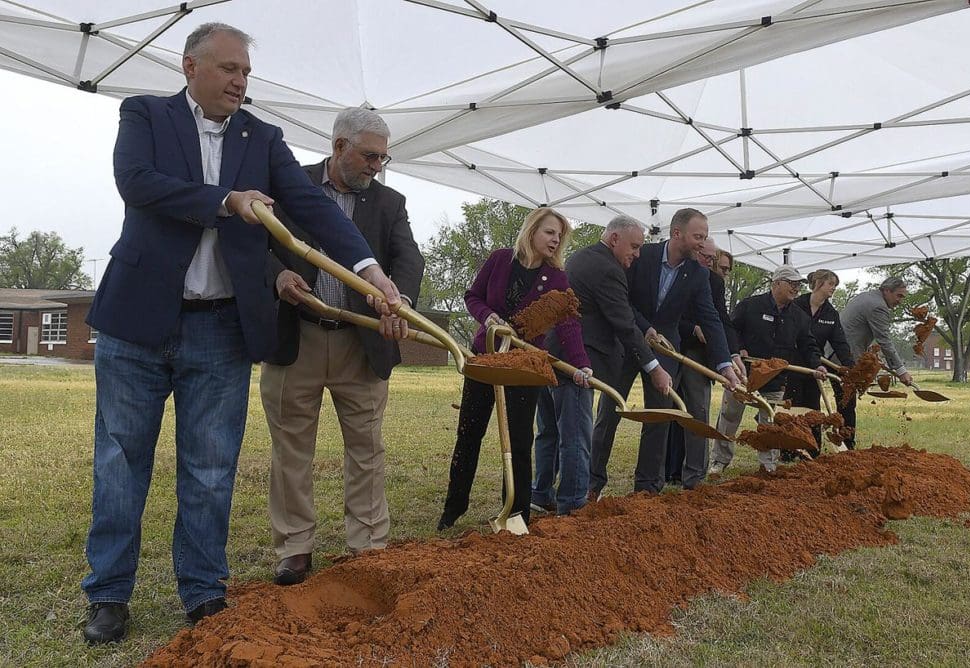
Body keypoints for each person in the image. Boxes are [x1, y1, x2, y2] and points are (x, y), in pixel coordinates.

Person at [80, 23, 400, 644]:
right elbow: (136, 183)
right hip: (136, 326)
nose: (240, 81)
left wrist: (370, 271)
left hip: (220, 328)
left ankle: (203, 593)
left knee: (209, 469)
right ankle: (109, 595)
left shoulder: (264, 138)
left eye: (246, 72)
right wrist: (226, 200)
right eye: (229, 69)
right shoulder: (143, 114)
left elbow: (309, 210)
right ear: (189, 66)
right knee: (121, 464)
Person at [260, 108, 424, 585]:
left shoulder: (390, 203)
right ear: (338, 147)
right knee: (291, 448)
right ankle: (294, 548)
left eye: (383, 157)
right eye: (370, 155)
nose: (378, 165)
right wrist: (277, 275)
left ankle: (368, 546)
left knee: (367, 447)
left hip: (362, 342)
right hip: (298, 337)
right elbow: (257, 245)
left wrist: (402, 302)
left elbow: (407, 258)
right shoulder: (293, 186)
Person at [438, 208, 591, 530]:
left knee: (520, 441)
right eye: (550, 232)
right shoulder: (500, 260)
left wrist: (581, 364)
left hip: (524, 366)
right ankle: (453, 508)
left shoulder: (556, 278)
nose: (555, 239)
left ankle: (517, 513)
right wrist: (487, 316)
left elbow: (568, 324)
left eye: (560, 236)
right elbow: (473, 296)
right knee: (469, 434)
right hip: (486, 358)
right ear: (533, 230)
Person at [590, 208, 740, 497]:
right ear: (676, 234)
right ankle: (592, 484)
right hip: (626, 341)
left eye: (705, 237)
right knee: (609, 412)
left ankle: (646, 489)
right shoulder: (640, 255)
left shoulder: (697, 273)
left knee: (659, 417)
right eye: (698, 236)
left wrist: (725, 364)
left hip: (666, 350)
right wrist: (645, 328)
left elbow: (710, 318)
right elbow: (622, 301)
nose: (702, 243)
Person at [531, 215, 668, 515]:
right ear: (614, 238)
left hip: (552, 354)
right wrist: (654, 367)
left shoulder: (583, 256)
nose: (637, 254)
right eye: (634, 246)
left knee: (550, 432)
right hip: (578, 363)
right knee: (576, 437)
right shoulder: (607, 269)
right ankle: (573, 504)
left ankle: (540, 494)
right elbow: (623, 323)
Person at [708, 265, 827, 474]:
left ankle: (768, 465)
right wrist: (738, 349)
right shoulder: (750, 306)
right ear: (776, 284)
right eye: (791, 283)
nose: (796, 288)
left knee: (771, 420)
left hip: (776, 378)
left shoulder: (799, 317)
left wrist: (817, 364)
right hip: (744, 374)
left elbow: (808, 344)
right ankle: (719, 461)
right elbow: (730, 330)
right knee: (729, 416)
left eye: (798, 284)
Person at [663, 237, 743, 489]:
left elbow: (718, 319)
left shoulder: (714, 282)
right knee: (663, 412)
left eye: (712, 259)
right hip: (668, 349)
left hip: (698, 355)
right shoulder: (672, 271)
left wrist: (732, 353)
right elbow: (664, 314)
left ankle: (695, 477)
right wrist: (691, 328)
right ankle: (657, 476)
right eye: (706, 257)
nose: (709, 263)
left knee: (698, 413)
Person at [782, 269, 854, 455]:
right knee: (793, 404)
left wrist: (849, 367)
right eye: (831, 284)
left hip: (816, 365)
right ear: (819, 283)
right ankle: (789, 450)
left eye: (835, 285)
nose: (833, 289)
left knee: (813, 406)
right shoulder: (795, 305)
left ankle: (813, 450)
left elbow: (840, 342)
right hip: (793, 364)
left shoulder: (831, 314)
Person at [837, 276, 912, 449]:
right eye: (899, 296)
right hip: (841, 358)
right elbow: (884, 340)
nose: (900, 301)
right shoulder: (878, 306)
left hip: (840, 353)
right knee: (846, 402)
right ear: (887, 291)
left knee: (845, 401)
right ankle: (846, 446)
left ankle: (844, 442)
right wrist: (901, 371)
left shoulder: (866, 297)